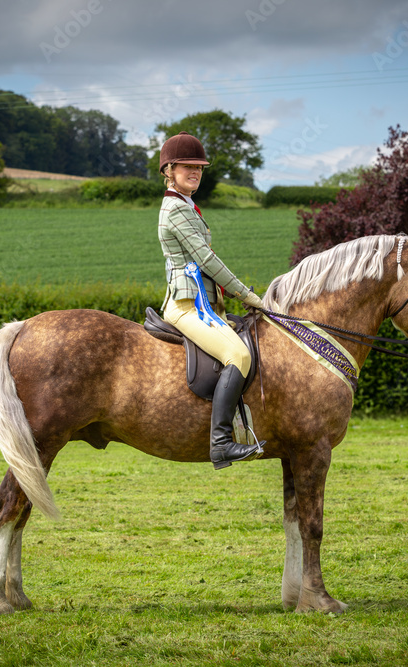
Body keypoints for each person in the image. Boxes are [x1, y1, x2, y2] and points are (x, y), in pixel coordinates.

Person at [157, 131, 265, 470]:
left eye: (199, 168)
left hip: (203, 303)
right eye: (187, 167)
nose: (195, 172)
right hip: (187, 305)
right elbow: (206, 260)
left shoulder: (187, 205)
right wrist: (246, 293)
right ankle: (221, 443)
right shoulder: (177, 209)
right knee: (237, 353)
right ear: (169, 170)